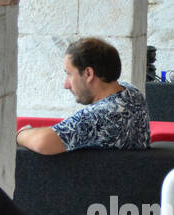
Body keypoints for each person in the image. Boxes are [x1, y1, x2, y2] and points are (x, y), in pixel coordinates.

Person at [16, 36, 150, 154]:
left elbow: (43, 142)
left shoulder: (100, 117)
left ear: (88, 74)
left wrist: (20, 133)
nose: (66, 85)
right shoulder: (132, 93)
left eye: (69, 74)